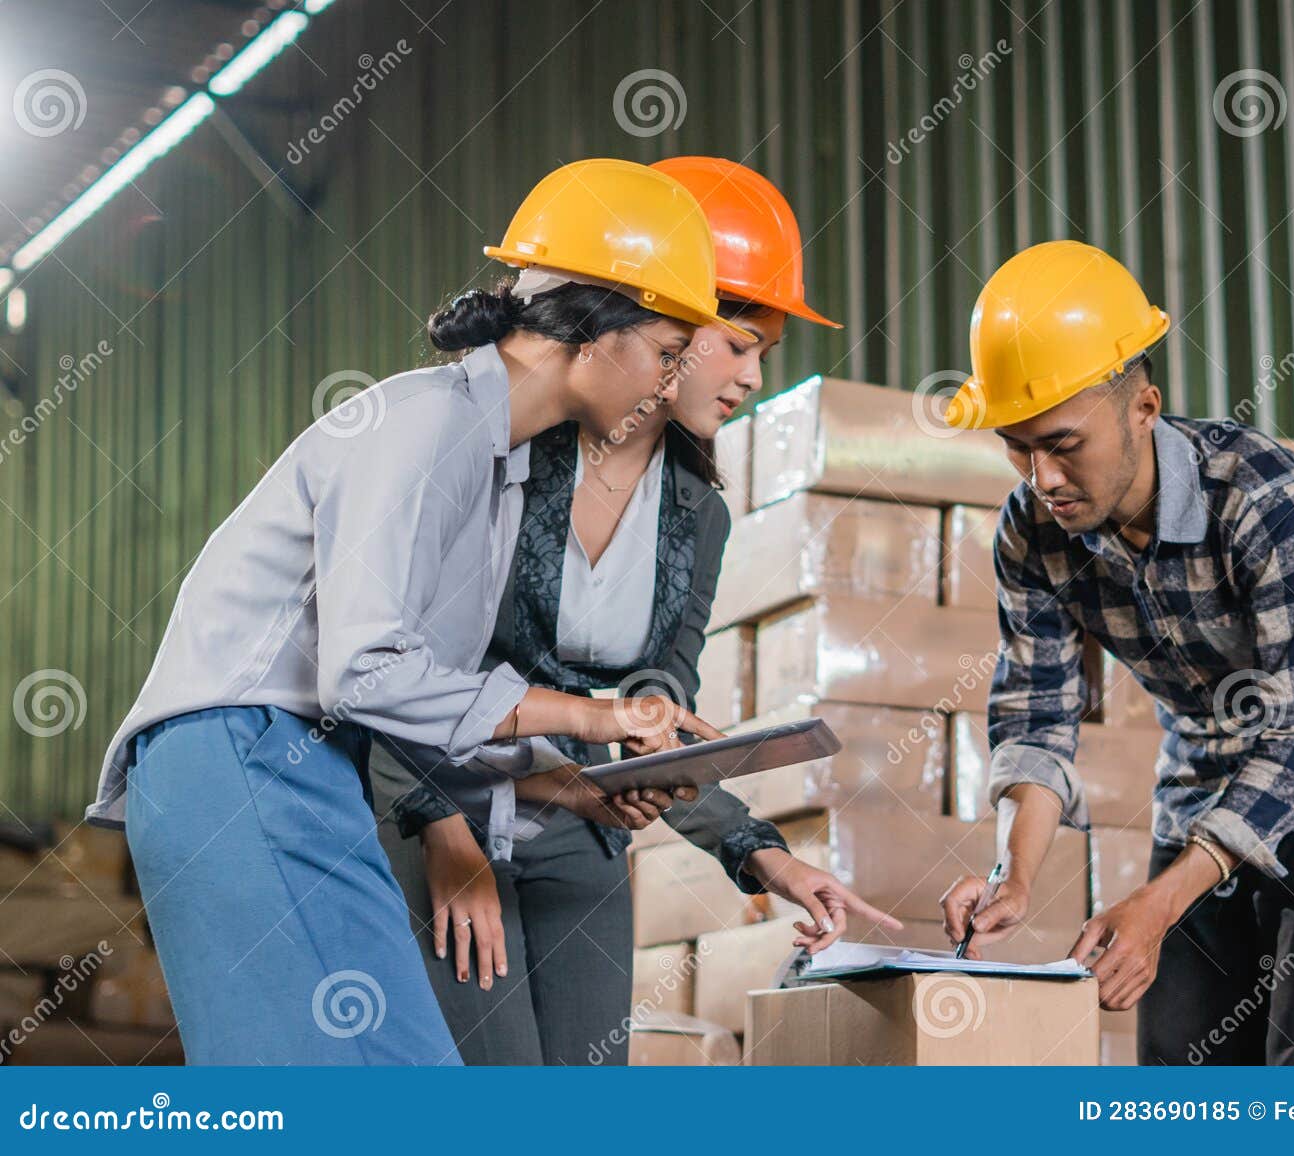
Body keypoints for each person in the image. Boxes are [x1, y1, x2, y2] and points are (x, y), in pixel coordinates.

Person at [88, 158, 741, 1065]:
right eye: (668, 353)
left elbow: (431, 711)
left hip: (303, 771)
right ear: (597, 329)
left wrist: (582, 788)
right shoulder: (418, 424)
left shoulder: (496, 474)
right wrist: (595, 715)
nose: (671, 387)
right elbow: (366, 674)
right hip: (239, 759)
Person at [369, 156, 900, 1066]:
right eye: (736, 341)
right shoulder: (504, 449)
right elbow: (391, 663)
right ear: (663, 317)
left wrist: (768, 861)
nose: (750, 378)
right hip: (436, 813)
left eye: (764, 354)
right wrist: (446, 838)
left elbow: (658, 718)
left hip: (578, 831)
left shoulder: (699, 516)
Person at [937, 241, 1294, 1066]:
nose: (1042, 476)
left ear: (1143, 407)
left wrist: (1158, 905)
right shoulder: (1031, 534)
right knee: (1181, 1077)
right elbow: (1037, 714)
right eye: (1018, 447)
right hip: (1203, 773)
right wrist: (1013, 874)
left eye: (1062, 442)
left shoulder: (1262, 495)